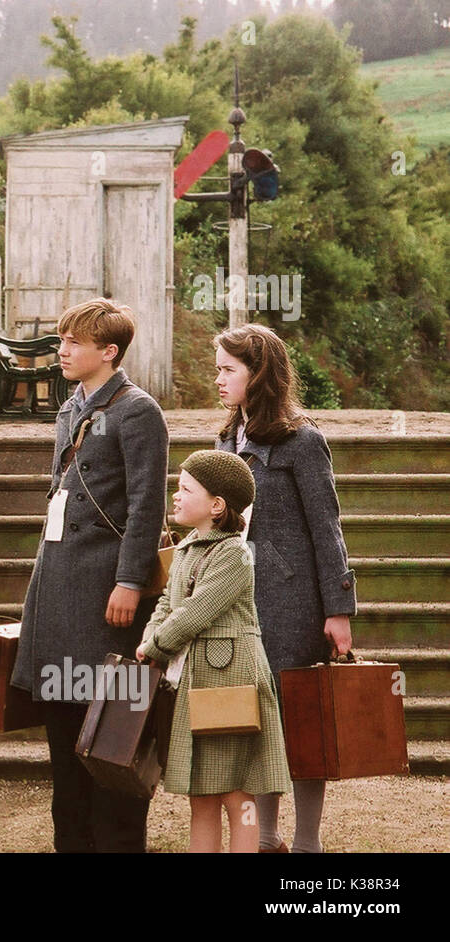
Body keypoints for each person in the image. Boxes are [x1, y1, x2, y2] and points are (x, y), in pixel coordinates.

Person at [10, 297, 169, 853]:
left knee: (113, 736)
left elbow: (148, 505)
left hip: (107, 596)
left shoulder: (138, 410)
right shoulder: (69, 407)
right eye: (62, 340)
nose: (62, 350)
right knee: (64, 735)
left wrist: (130, 581)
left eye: (73, 342)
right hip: (58, 590)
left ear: (109, 351)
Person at [211, 323, 355, 854]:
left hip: (293, 605)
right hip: (237, 604)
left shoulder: (303, 439)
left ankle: (307, 843)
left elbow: (327, 529)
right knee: (253, 723)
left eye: (229, 370)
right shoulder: (226, 439)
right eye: (218, 368)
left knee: (301, 722)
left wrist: (338, 608)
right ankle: (264, 836)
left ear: (260, 373)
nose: (219, 379)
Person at [136, 450, 291, 853]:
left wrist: (155, 645)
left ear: (217, 505)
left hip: (230, 684)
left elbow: (196, 612)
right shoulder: (187, 548)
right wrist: (148, 638)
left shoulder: (233, 554)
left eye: (185, 489)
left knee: (237, 794)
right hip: (194, 682)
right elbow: (168, 606)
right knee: (201, 793)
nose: (175, 495)